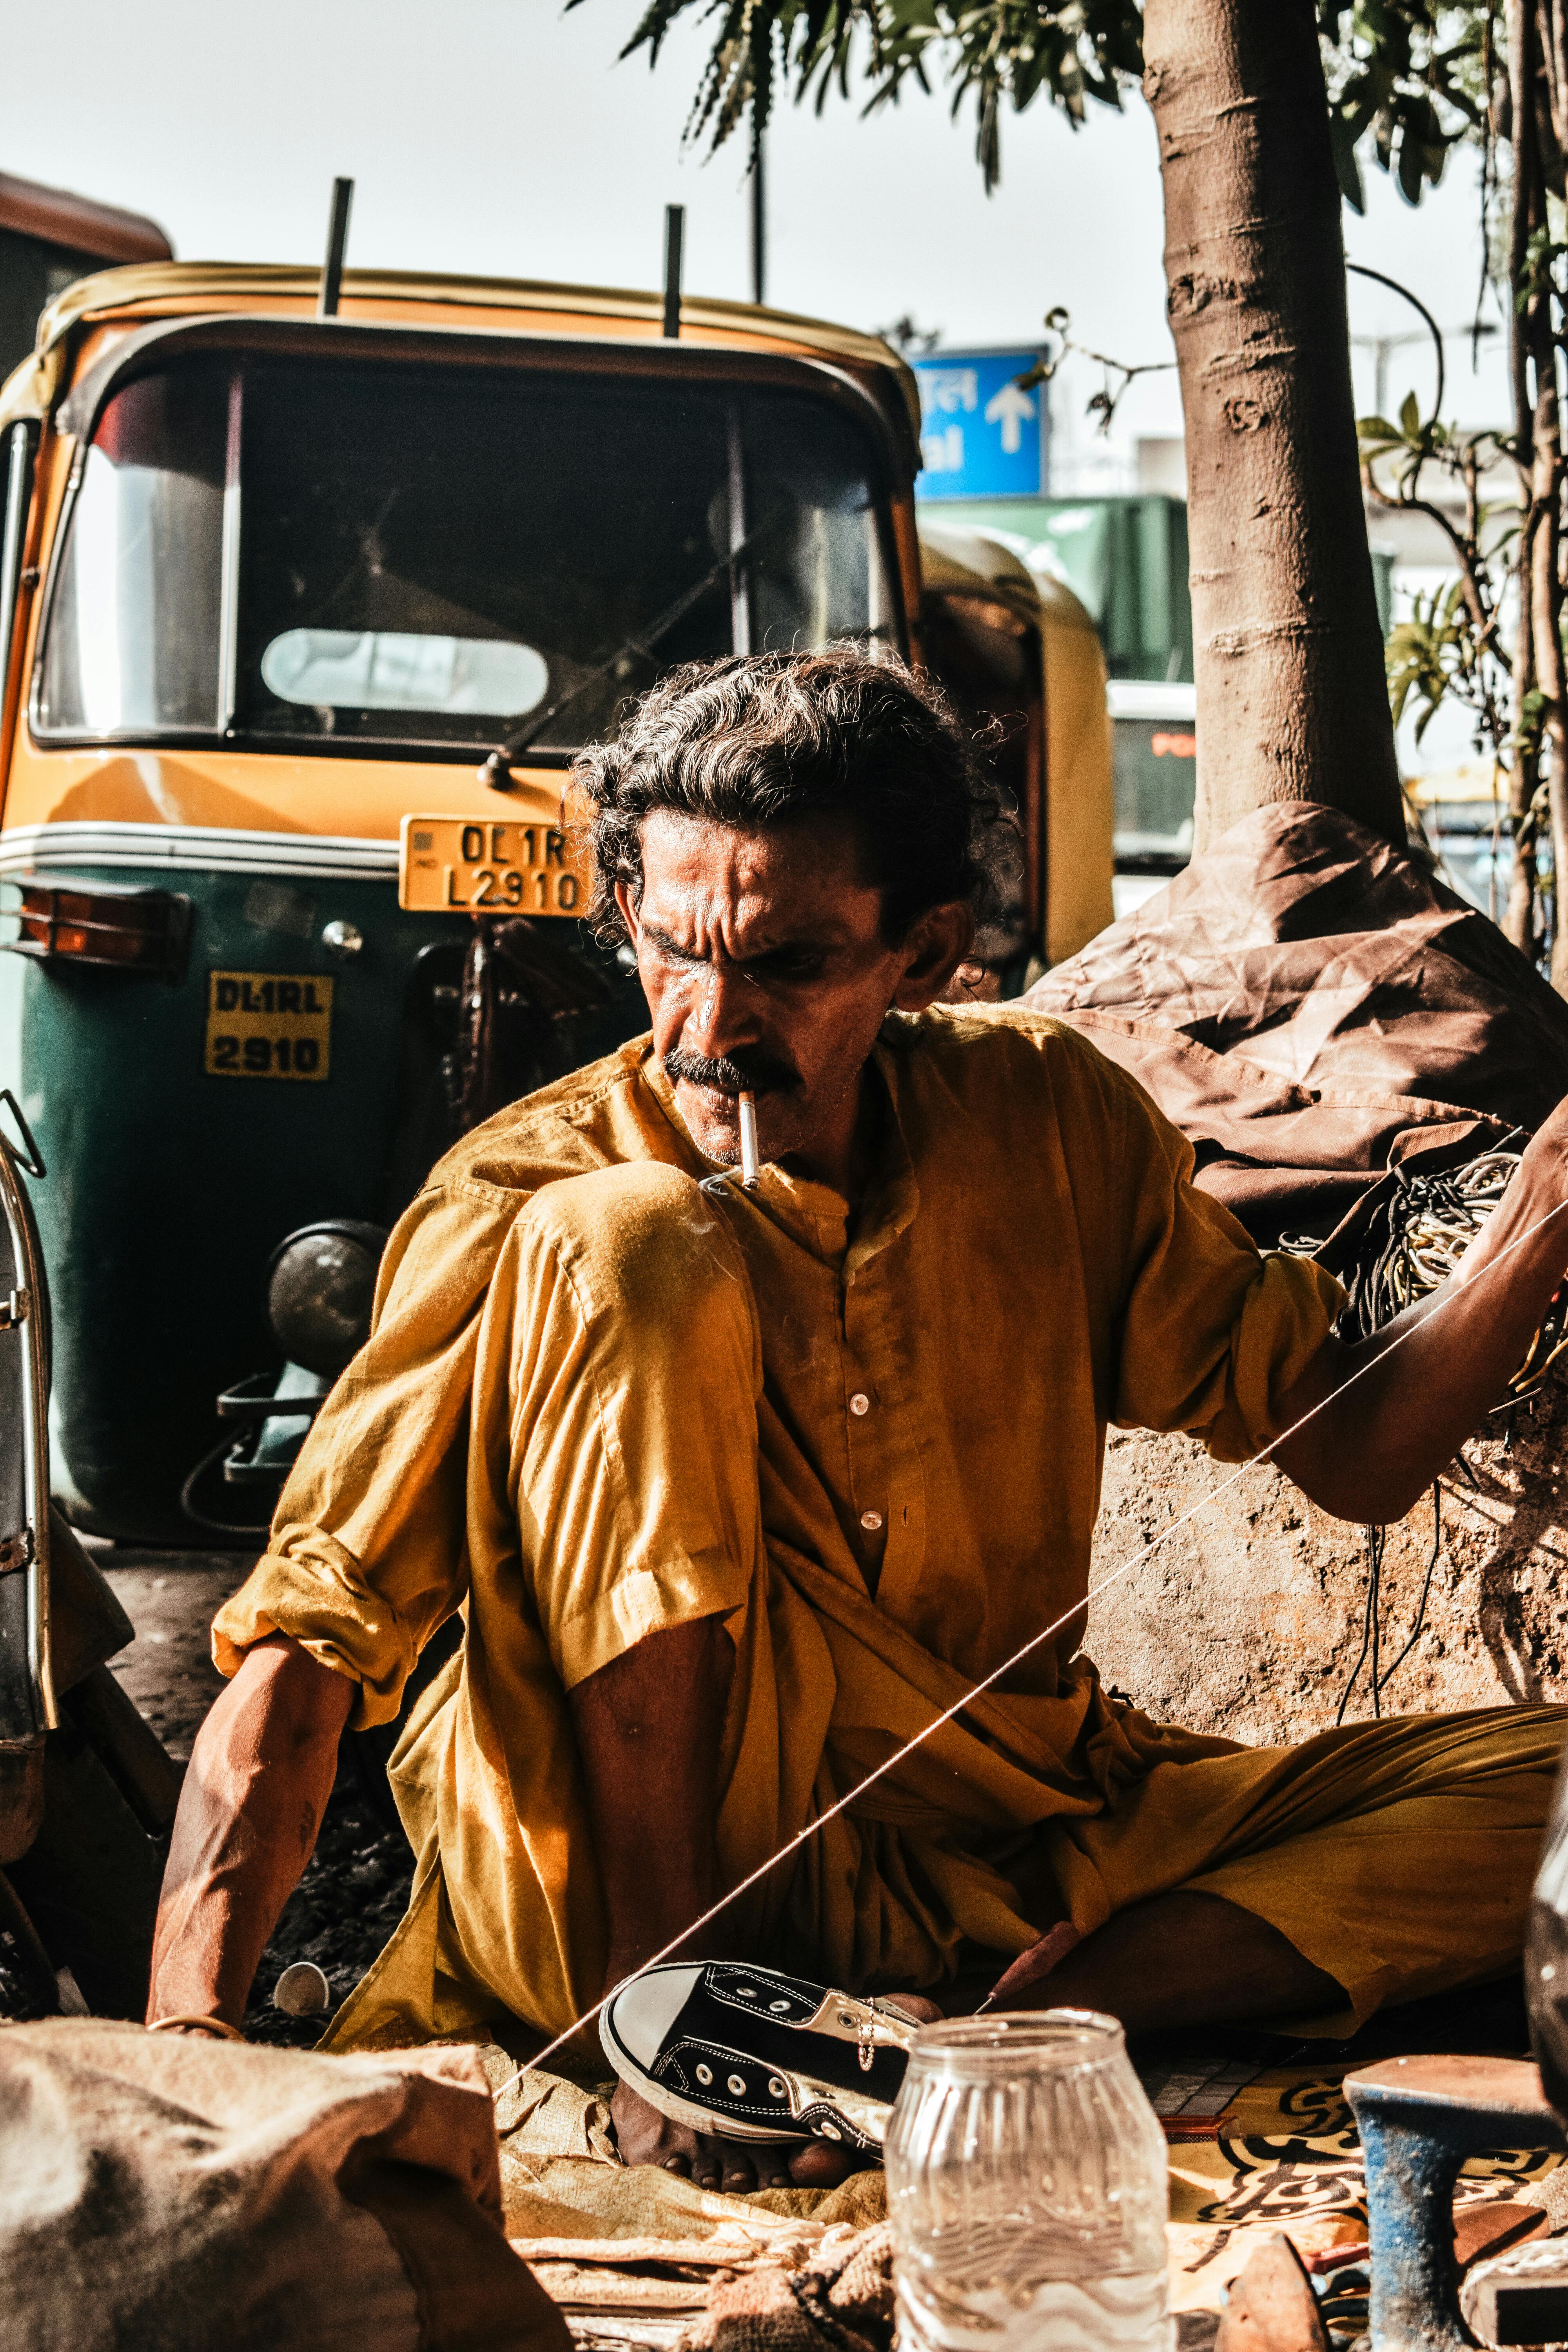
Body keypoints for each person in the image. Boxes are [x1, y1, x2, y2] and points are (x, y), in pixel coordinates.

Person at [149, 648, 1567, 2195]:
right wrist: (182, 2057)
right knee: (635, 1234)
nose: (710, 1022)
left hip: (988, 1865)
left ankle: (997, 2028)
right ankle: (667, 2032)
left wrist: (1542, 1212)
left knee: (1549, 1806)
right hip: (592, 1898)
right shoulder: (525, 1194)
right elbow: (304, 1646)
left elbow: (1354, 1453)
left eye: (785, 966)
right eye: (670, 950)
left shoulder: (1045, 1112)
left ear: (931, 953)